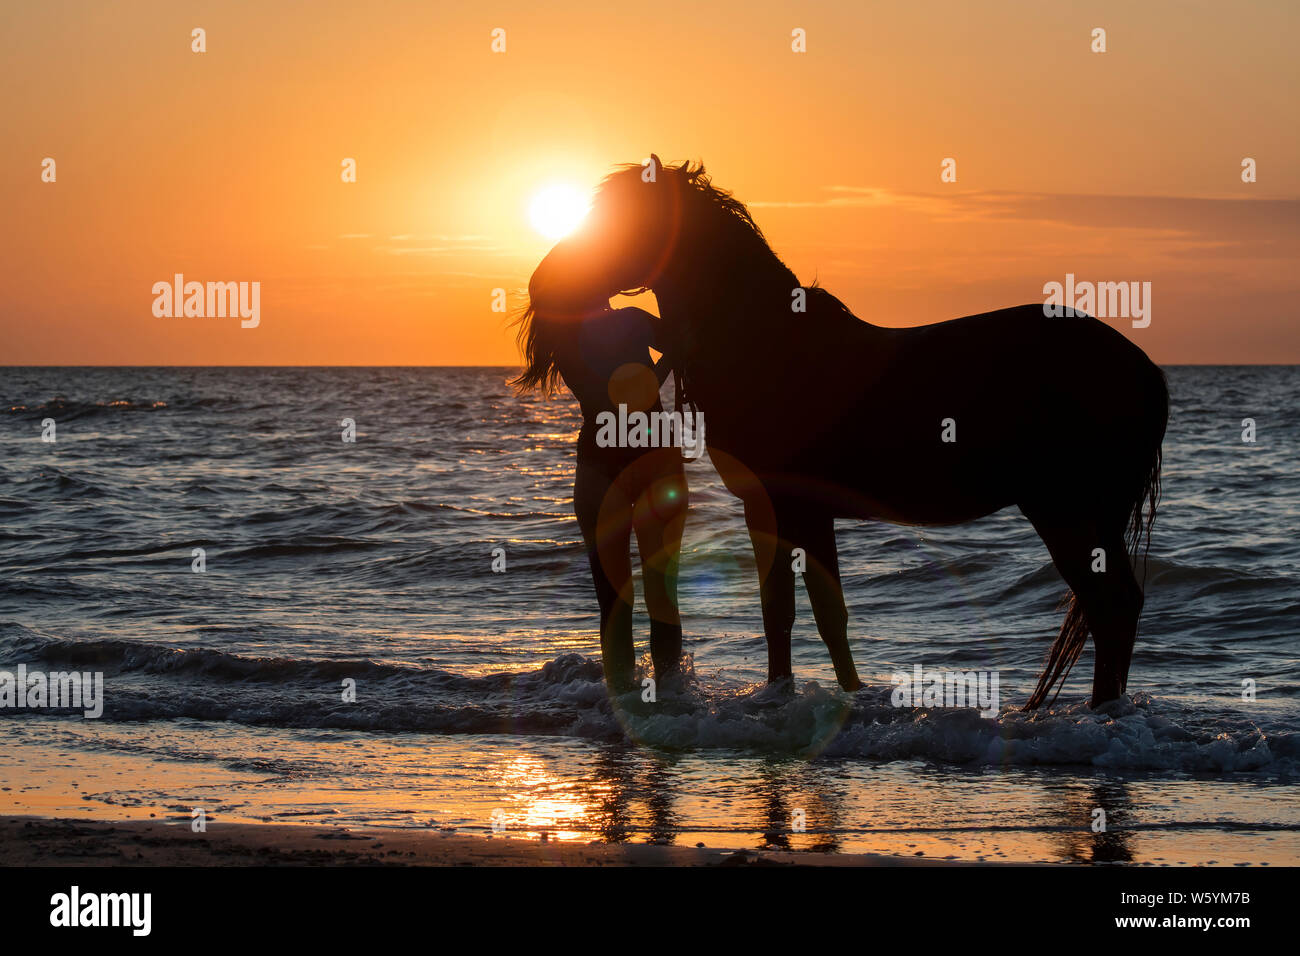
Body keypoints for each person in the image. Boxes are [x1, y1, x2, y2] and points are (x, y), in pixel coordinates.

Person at [513, 297, 688, 693]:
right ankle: (672, 707)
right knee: (661, 594)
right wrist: (671, 356)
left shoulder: (563, 338)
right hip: (653, 456)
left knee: (614, 601)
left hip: (599, 463)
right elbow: (677, 351)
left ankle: (621, 712)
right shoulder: (631, 320)